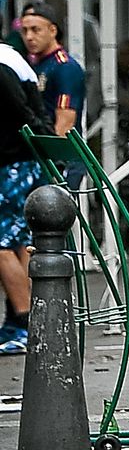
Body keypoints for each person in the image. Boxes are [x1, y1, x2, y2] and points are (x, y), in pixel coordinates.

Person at [0, 40, 52, 355]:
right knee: (17, 243)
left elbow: (23, 113)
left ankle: (25, 320)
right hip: (21, 161)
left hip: (12, 164)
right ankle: (22, 319)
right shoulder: (11, 58)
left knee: (3, 245)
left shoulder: (2, 66)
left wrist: (43, 140)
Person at [21, 3, 87, 187]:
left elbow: (65, 122)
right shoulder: (35, 65)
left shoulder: (65, 67)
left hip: (61, 159)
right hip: (42, 158)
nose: (29, 37)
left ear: (52, 30)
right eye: (24, 31)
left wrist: (55, 165)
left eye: (36, 30)